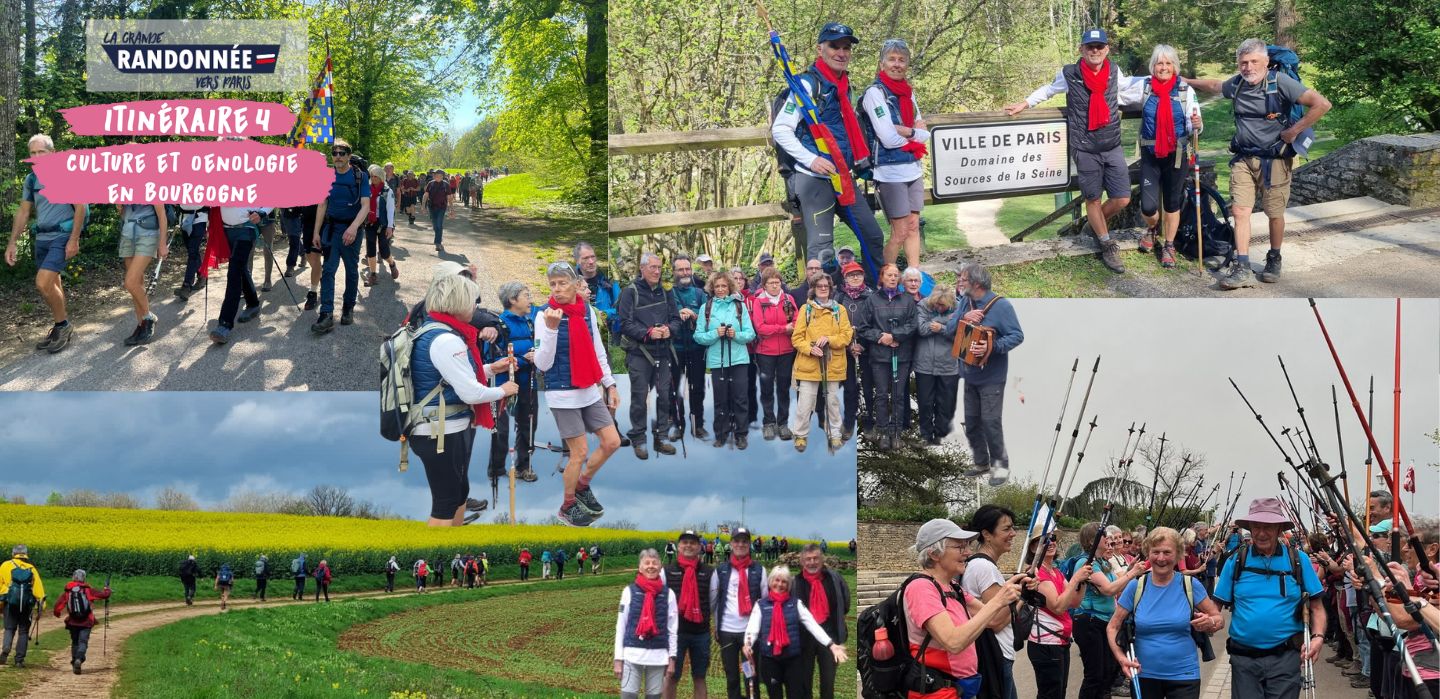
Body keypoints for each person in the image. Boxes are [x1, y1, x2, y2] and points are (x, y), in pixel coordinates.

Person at [1188, 39, 1332, 289]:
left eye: (1254, 61)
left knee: (1274, 213)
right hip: (1243, 158)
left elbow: (1322, 104)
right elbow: (1214, 85)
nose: (1248, 67)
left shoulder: (1281, 83)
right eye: (1243, 62)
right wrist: (1185, 82)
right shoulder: (1238, 84)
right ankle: (1242, 266)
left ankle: (1274, 257)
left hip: (1275, 160)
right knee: (1240, 211)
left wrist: (1295, 130)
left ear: (1265, 62)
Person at [1004, 28, 1143, 273]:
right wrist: (1024, 103)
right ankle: (1105, 243)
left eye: (1100, 47)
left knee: (1122, 197)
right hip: (1085, 147)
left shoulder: (1114, 72)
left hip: (1111, 145)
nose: (1095, 51)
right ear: (1081, 49)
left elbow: (1133, 87)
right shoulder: (1070, 73)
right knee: (1092, 198)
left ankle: (1094, 223)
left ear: (1107, 49)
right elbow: (1048, 90)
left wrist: (1167, 86)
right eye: (1090, 47)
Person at [769, 22, 886, 280]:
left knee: (872, 236)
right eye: (835, 46)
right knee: (822, 252)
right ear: (820, 48)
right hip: (814, 180)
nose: (841, 52)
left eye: (846, 48)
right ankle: (820, 308)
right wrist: (812, 160)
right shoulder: (808, 85)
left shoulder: (843, 87)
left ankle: (870, 298)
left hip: (842, 176)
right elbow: (781, 130)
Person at [407, 268, 518, 526]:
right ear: (459, 303)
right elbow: (469, 391)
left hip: (441, 427)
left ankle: (451, 546)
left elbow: (451, 377)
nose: (475, 308)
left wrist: (492, 368)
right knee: (445, 502)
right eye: (473, 301)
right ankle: (434, 560)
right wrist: (504, 390)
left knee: (459, 494)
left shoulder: (435, 331)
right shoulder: (447, 339)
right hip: (438, 431)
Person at [534, 261, 624, 526]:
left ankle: (583, 485)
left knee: (612, 442)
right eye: (553, 284)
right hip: (562, 392)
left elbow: (598, 349)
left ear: (576, 285)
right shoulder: (544, 315)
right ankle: (567, 504)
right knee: (579, 452)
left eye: (563, 283)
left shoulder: (586, 311)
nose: (558, 289)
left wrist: (610, 384)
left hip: (589, 388)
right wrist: (551, 330)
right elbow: (542, 363)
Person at [1212, 498, 1326, 698]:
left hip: (1286, 657)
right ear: (1250, 528)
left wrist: (1317, 638)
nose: (1261, 533)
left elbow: (1316, 607)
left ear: (1279, 529)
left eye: (1268, 527)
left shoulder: (1299, 560)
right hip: (1244, 659)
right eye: (1256, 526)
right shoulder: (1236, 560)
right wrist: (1212, 620)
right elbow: (1216, 606)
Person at [902, 519, 1023, 699]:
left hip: (958, 688)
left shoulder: (952, 587)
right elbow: (953, 642)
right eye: (960, 547)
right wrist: (998, 600)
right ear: (934, 554)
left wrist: (1020, 592)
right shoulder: (921, 588)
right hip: (935, 691)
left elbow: (992, 620)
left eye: (967, 546)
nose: (968, 552)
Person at [1107, 527, 1224, 698]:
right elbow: (1113, 626)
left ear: (1178, 555)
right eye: (1155, 552)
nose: (1161, 558)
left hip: (1185, 676)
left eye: (1167, 552)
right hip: (1143, 675)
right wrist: (1121, 658)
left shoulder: (1190, 585)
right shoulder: (1136, 586)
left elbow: (1218, 618)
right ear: (1148, 553)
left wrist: (1211, 623)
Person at [5, 134, 86, 353]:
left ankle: (64, 325)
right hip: (41, 237)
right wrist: (12, 243)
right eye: (33, 152)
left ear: (53, 153)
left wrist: (74, 239)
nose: (37, 156)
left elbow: (81, 207)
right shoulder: (31, 179)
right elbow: (23, 212)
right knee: (52, 285)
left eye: (42, 152)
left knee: (42, 283)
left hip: (62, 236)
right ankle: (61, 326)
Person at [1125, 45, 1203, 268]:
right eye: (1160, 63)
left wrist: (1197, 125)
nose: (1164, 67)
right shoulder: (1145, 87)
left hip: (1176, 155)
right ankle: (1152, 228)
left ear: (1175, 66)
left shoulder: (1185, 91)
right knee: (1148, 206)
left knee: (1171, 203)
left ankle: (1168, 245)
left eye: (1168, 63)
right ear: (1153, 66)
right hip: (1150, 154)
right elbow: (1119, 92)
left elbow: (1195, 122)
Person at [946, 264, 1023, 486]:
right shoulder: (964, 303)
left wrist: (992, 347)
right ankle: (981, 463)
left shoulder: (1002, 306)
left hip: (992, 378)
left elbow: (1017, 335)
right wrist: (964, 319)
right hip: (969, 376)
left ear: (977, 284)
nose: (960, 282)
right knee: (971, 423)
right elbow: (950, 330)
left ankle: (1001, 467)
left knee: (990, 422)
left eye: (964, 279)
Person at [863, 38, 930, 267]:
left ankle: (914, 277)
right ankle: (886, 280)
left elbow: (925, 134)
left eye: (902, 60)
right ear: (882, 64)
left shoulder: (908, 94)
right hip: (890, 172)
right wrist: (913, 133)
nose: (897, 64)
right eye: (891, 59)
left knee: (913, 226)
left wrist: (905, 130)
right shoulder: (875, 93)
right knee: (899, 231)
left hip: (913, 168)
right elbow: (889, 139)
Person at [743, 565, 848, 698]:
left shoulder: (796, 604)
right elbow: (752, 629)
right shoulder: (761, 605)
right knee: (775, 694)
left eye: (784, 581)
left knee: (796, 695)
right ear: (770, 582)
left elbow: (813, 626)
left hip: (793, 661)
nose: (780, 584)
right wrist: (747, 644)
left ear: (788, 585)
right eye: (777, 580)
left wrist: (831, 644)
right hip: (770, 661)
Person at [1074, 520, 1149, 699]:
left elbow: (1118, 583)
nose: (1110, 541)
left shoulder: (1102, 562)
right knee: (1094, 674)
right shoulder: (1086, 563)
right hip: (1090, 622)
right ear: (1092, 541)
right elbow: (1108, 589)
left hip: (1104, 622)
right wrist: (1132, 574)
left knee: (1108, 671)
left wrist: (1130, 570)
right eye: (1104, 537)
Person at [617, 253, 682, 459]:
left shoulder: (666, 291)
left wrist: (669, 329)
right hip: (638, 353)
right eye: (652, 267)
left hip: (663, 352)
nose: (656, 271)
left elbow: (675, 318)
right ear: (642, 268)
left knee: (664, 396)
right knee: (639, 398)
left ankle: (661, 437)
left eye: (659, 268)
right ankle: (639, 439)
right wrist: (647, 333)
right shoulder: (630, 292)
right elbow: (624, 324)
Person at [961, 505, 1026, 699]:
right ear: (987, 534)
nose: (1013, 534)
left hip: (996, 654)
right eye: (1006, 529)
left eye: (1012, 528)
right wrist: (1023, 594)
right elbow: (996, 621)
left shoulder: (979, 565)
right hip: (996, 654)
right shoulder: (984, 567)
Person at [1023, 528, 1092, 699]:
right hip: (1046, 643)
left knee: (1059, 692)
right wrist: (1076, 578)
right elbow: (1058, 607)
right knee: (1051, 694)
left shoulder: (1056, 572)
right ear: (1033, 548)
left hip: (1059, 642)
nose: (1051, 542)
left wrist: (1083, 582)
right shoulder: (1037, 573)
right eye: (1045, 539)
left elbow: (1075, 602)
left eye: (1053, 538)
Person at [310, 139, 370, 334]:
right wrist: (316, 232)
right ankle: (326, 313)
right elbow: (322, 204)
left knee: (351, 271)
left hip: (352, 230)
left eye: (342, 153)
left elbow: (366, 206)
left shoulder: (360, 177)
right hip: (333, 229)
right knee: (328, 270)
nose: (337, 156)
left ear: (349, 156)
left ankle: (348, 307)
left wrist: (353, 228)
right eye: (334, 153)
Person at [789, 272, 852, 452]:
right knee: (805, 403)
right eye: (819, 286)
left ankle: (835, 434)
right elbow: (797, 338)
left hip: (833, 363)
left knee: (832, 402)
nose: (823, 289)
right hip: (809, 364)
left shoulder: (840, 310)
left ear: (831, 289)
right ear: (813, 289)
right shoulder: (805, 310)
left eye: (826, 286)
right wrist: (810, 348)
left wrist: (829, 339)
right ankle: (800, 435)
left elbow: (846, 336)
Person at [693, 272, 757, 449]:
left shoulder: (739, 306)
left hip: (739, 360)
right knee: (720, 399)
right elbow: (698, 336)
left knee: (740, 398)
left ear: (730, 287)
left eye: (724, 286)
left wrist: (736, 335)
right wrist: (715, 334)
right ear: (712, 288)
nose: (720, 289)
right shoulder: (705, 308)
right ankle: (721, 434)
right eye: (717, 286)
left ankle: (741, 434)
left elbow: (750, 334)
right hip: (716, 360)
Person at [856, 264, 916, 449]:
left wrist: (896, 336)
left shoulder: (907, 300)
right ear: (881, 277)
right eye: (889, 275)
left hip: (902, 355)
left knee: (898, 395)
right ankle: (882, 432)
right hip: (879, 356)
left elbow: (913, 325)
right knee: (881, 395)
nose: (893, 278)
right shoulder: (872, 300)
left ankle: (896, 432)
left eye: (896, 275)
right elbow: (863, 327)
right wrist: (882, 337)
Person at [614, 549, 678, 699]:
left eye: (655, 563)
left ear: (660, 567)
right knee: (628, 696)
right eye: (647, 563)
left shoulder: (669, 594)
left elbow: (673, 630)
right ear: (640, 567)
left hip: (658, 656)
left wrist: (672, 659)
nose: (651, 566)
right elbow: (621, 626)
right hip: (632, 655)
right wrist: (618, 659)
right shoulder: (629, 591)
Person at [206, 201, 271, 345]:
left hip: (246, 229)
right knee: (240, 269)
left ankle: (225, 324)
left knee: (234, 273)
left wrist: (262, 212)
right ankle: (253, 303)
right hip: (225, 230)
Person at [663, 530, 717, 699]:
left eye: (692, 543)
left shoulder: (709, 572)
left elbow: (713, 601)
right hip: (675, 634)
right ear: (678, 546)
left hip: (700, 633)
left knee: (700, 676)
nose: (688, 545)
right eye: (685, 542)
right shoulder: (667, 571)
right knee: (671, 675)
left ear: (699, 547)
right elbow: (661, 602)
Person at [748, 267, 799, 442]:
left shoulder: (788, 299)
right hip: (765, 352)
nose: (775, 286)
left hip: (786, 351)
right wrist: (783, 329)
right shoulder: (758, 301)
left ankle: (783, 423)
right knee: (767, 388)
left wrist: (787, 328)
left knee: (784, 387)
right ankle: (769, 422)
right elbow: (760, 327)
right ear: (764, 285)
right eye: (771, 283)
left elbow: (796, 320)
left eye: (777, 282)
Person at [793, 544, 850, 698]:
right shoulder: (794, 583)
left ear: (822, 559)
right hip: (803, 639)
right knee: (804, 682)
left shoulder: (835, 578)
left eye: (815, 558)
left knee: (828, 683)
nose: (812, 562)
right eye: (808, 559)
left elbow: (845, 603)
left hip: (830, 636)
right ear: (802, 562)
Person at [716, 528, 765, 699]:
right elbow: (715, 598)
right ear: (731, 543)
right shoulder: (721, 570)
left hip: (749, 634)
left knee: (750, 675)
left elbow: (765, 601)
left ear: (749, 544)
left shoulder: (759, 570)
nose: (740, 544)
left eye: (744, 541)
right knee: (731, 677)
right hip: (727, 632)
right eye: (737, 541)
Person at [914, 284, 961, 446]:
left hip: (949, 364)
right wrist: (948, 325)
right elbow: (922, 329)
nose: (938, 307)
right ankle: (925, 435)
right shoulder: (922, 305)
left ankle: (941, 434)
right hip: (924, 363)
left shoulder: (960, 309)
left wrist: (941, 328)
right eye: (936, 304)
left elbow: (960, 335)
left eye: (942, 306)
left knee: (946, 402)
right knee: (925, 402)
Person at [115, 202, 168, 345]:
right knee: (137, 284)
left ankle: (149, 317)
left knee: (130, 283)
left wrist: (162, 244)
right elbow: (123, 215)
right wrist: (120, 208)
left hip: (148, 234)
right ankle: (142, 324)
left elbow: (162, 215)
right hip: (127, 234)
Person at [669, 255, 709, 442]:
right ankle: (678, 425)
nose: (685, 273)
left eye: (687, 269)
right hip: (675, 348)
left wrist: (694, 314)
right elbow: (664, 314)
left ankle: (698, 424)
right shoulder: (668, 294)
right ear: (674, 272)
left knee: (698, 387)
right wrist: (678, 314)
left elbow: (709, 313)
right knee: (675, 388)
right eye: (680, 269)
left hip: (696, 347)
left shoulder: (700, 293)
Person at [835, 261, 872, 442]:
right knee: (850, 389)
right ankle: (849, 423)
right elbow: (833, 325)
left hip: (867, 350)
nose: (855, 277)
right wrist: (848, 344)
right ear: (845, 277)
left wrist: (862, 344)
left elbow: (876, 323)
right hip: (845, 351)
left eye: (858, 274)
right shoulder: (838, 298)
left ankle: (870, 425)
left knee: (868, 388)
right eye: (851, 275)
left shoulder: (871, 296)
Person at [51, 569, 109, 676]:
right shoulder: (88, 590)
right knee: (83, 642)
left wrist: (57, 613)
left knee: (75, 642)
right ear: (84, 578)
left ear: (73, 577)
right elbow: (104, 595)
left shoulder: (68, 590)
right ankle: (79, 658)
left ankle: (75, 662)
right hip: (86, 621)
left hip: (72, 622)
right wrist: (107, 589)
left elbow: (58, 606)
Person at [0, 545, 45, 669]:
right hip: (26, 605)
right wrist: (41, 607)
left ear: (13, 553)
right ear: (25, 554)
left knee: (9, 628)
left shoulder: (5, 565)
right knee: (23, 631)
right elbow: (38, 590)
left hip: (9, 602)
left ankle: (6, 648)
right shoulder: (31, 568)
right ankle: (19, 660)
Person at [363, 164, 398, 286]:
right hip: (370, 222)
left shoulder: (388, 191)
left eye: (376, 176)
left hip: (383, 223)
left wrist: (390, 226)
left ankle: (392, 263)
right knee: (370, 249)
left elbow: (390, 210)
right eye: (372, 176)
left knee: (384, 251)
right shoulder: (366, 189)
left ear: (381, 177)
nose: (373, 178)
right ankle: (373, 275)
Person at [174, 203, 209, 300]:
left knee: (193, 253)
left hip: (199, 219)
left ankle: (186, 286)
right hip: (184, 219)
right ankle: (202, 276)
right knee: (192, 251)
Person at [423, 169, 452, 250]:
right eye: (436, 175)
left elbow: (449, 197)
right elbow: (425, 195)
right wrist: (423, 206)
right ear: (434, 176)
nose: (437, 177)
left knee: (439, 224)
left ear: (443, 176)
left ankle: (438, 243)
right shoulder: (430, 184)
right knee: (435, 225)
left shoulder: (446, 185)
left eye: (440, 175)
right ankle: (439, 235)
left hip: (442, 207)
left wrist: (451, 209)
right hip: (431, 206)